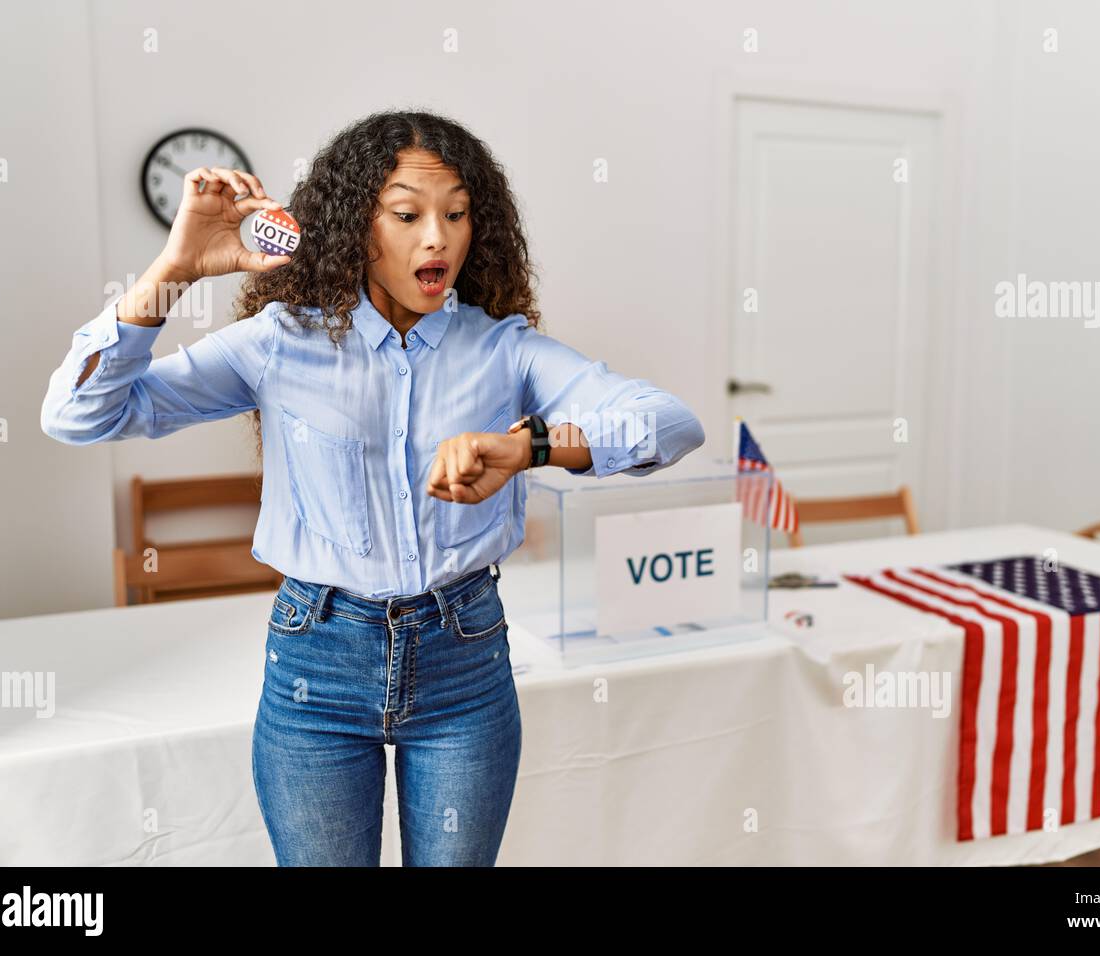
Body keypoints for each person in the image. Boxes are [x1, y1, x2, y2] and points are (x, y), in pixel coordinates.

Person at [40, 110, 706, 866]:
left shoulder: (502, 349)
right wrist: (173, 276)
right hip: (314, 666)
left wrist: (533, 446)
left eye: (456, 214)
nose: (438, 239)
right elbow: (80, 416)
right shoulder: (281, 342)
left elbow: (670, 422)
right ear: (358, 224)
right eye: (408, 215)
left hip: (465, 662)